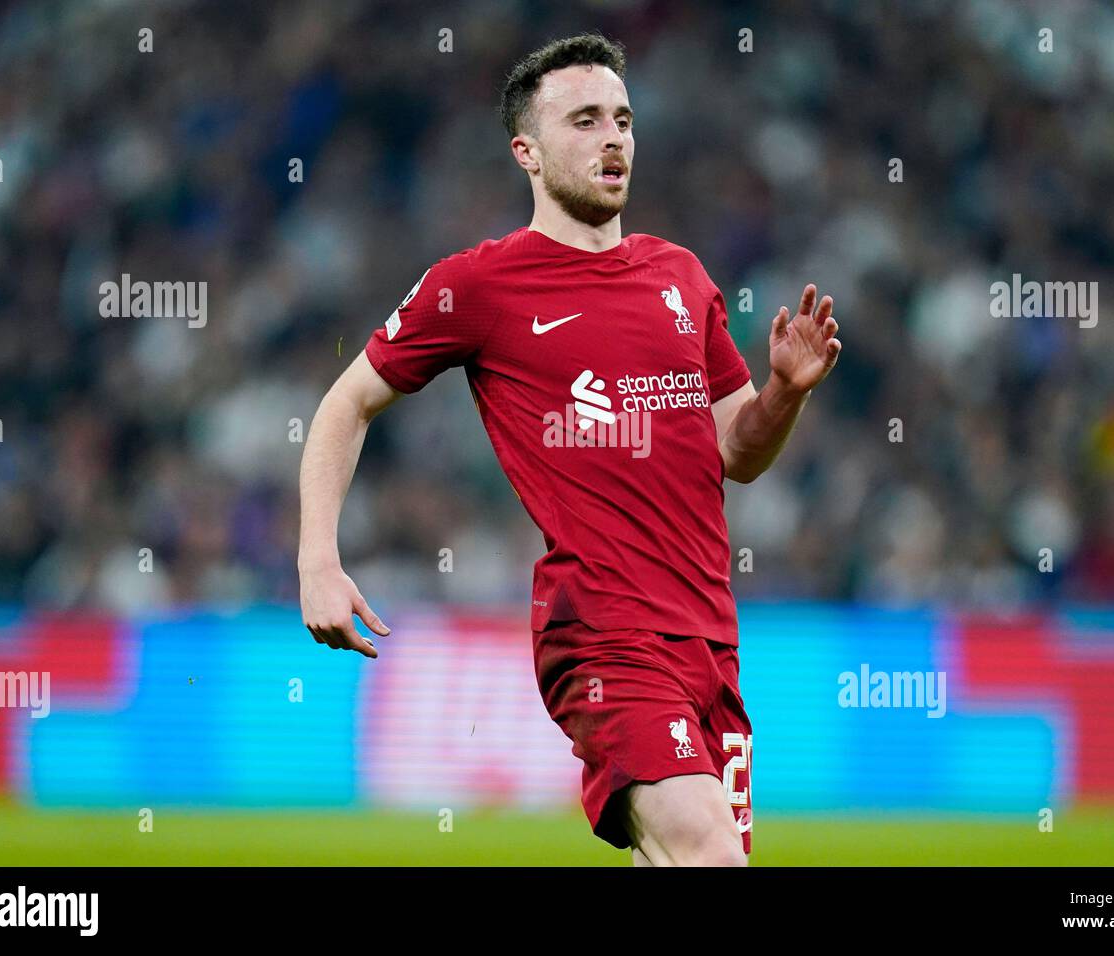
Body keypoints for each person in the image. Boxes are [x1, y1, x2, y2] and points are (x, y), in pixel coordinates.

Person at [298, 33, 840, 866]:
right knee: (710, 855)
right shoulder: (477, 285)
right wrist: (317, 562)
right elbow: (346, 405)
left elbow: (738, 450)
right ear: (527, 150)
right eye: (584, 120)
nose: (613, 138)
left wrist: (785, 394)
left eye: (622, 119)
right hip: (603, 631)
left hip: (710, 637)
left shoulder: (681, 277)